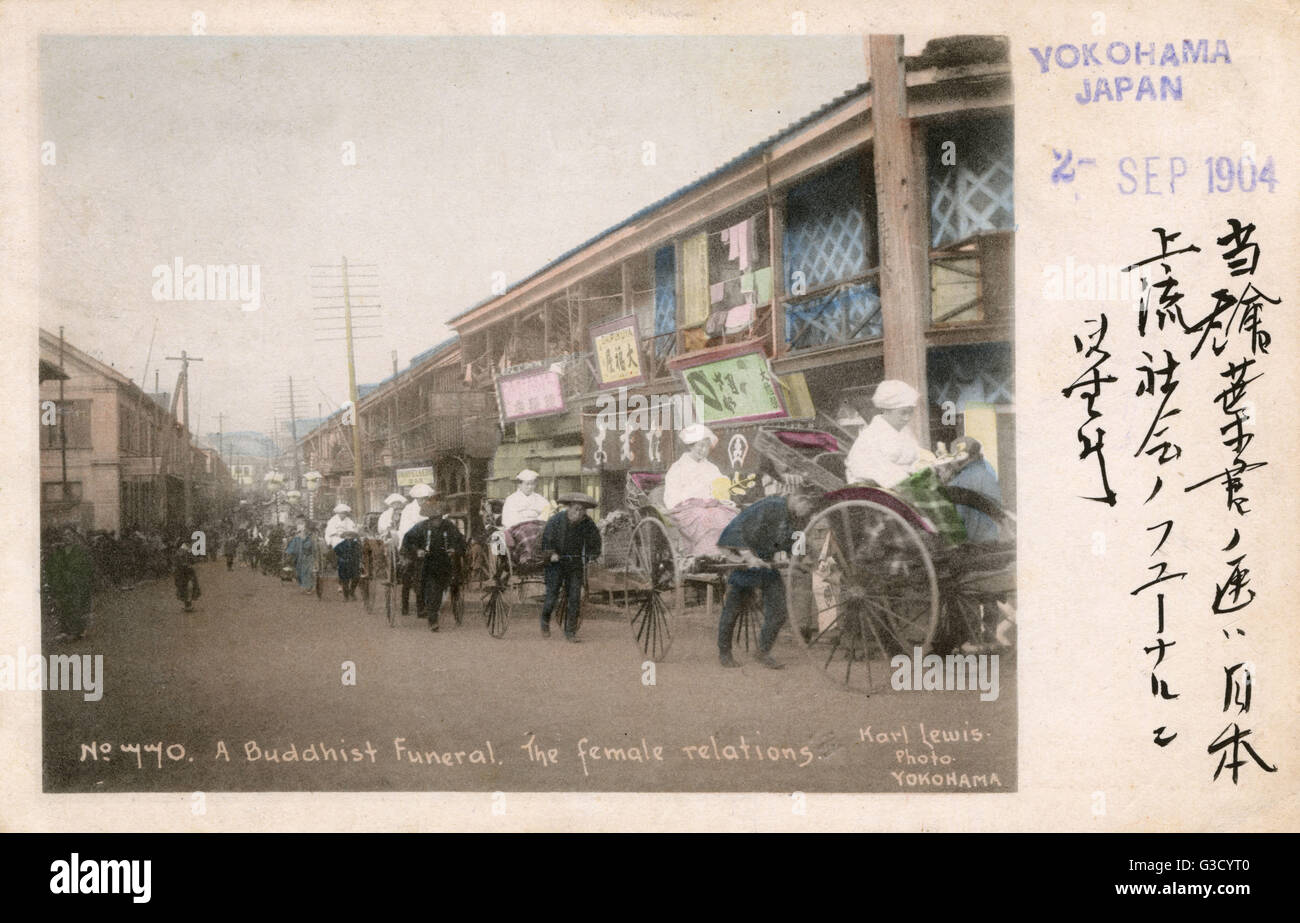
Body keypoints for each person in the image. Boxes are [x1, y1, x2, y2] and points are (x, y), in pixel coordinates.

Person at [715, 487, 817, 669]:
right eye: (807, 506)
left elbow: (794, 542)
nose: (807, 511)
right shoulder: (771, 505)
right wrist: (749, 557)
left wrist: (798, 561)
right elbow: (740, 527)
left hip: (766, 564)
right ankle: (725, 652)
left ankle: (762, 651)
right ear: (797, 499)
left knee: (779, 610)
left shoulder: (795, 516)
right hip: (745, 559)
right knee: (733, 608)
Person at [663, 423, 737, 558]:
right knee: (704, 517)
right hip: (686, 510)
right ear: (691, 445)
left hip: (711, 507)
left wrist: (720, 499)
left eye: (706, 447)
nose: (703, 450)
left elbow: (719, 489)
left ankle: (726, 553)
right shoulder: (678, 468)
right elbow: (672, 497)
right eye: (700, 446)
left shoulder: (711, 468)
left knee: (725, 516)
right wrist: (695, 501)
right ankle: (706, 554)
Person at [400, 489, 467, 631]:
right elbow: (407, 541)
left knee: (440, 589)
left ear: (442, 516)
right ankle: (433, 620)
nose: (437, 521)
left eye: (439, 518)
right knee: (433, 591)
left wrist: (454, 549)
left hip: (445, 562)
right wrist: (417, 551)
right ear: (429, 518)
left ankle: (433, 613)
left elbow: (460, 541)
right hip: (426, 563)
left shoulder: (449, 526)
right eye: (434, 518)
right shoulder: (420, 527)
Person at [538, 493, 601, 642]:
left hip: (575, 563)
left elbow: (595, 541)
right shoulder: (556, 520)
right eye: (576, 509)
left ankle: (570, 632)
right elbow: (546, 540)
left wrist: (592, 555)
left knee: (575, 597)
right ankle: (545, 620)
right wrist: (552, 553)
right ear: (569, 508)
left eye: (582, 510)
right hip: (556, 564)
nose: (578, 513)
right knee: (552, 595)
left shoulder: (588, 523)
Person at [845, 379, 925, 488]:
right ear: (887, 410)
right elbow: (877, 470)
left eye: (910, 412)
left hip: (900, 482)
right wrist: (910, 474)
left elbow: (916, 456)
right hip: (876, 489)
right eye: (903, 412)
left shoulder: (904, 431)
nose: (907, 418)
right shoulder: (871, 436)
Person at [946, 436, 1003, 544]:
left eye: (954, 457)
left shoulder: (960, 481)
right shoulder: (988, 470)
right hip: (993, 538)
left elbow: (957, 519)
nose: (951, 462)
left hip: (974, 543)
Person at [397, 484, 433, 615]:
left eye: (426, 498)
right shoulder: (408, 509)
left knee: (423, 575)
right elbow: (406, 531)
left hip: (424, 543)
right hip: (409, 544)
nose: (424, 500)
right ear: (416, 498)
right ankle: (405, 606)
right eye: (421, 498)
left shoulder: (429, 508)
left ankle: (422, 606)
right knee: (408, 576)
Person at [325, 503, 361, 601]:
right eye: (341, 513)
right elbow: (330, 532)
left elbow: (353, 531)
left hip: (348, 543)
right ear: (338, 513)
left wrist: (350, 536)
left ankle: (352, 591)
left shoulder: (349, 521)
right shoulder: (332, 520)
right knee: (345, 577)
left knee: (356, 576)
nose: (343, 515)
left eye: (344, 513)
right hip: (336, 538)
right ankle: (346, 595)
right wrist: (339, 535)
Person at [283, 521, 318, 593]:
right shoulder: (297, 538)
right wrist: (288, 552)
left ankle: (308, 588)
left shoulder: (311, 537)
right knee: (299, 572)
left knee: (307, 572)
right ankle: (305, 586)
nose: (301, 532)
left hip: (308, 557)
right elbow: (292, 547)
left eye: (303, 530)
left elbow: (314, 548)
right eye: (300, 531)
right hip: (299, 557)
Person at [173, 538, 201, 612]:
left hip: (186, 572)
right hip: (183, 572)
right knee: (186, 588)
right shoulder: (180, 552)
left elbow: (192, 560)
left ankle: (188, 605)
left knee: (188, 587)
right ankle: (188, 605)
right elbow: (179, 563)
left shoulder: (186, 551)